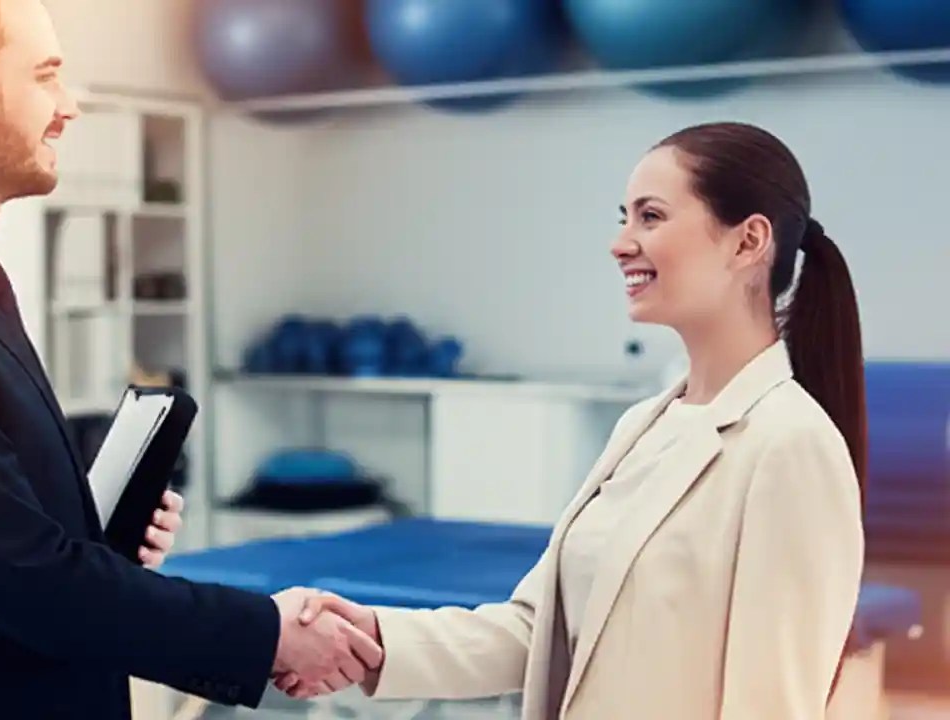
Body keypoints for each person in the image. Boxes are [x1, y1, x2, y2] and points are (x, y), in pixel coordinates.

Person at [0, 1, 380, 718]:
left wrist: (99, 536)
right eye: (45, 77)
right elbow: (27, 582)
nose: (68, 108)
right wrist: (267, 634)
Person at [281, 121, 868, 719]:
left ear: (747, 243)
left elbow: (772, 706)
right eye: (624, 217)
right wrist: (375, 640)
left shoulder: (792, 444)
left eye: (651, 216)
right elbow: (539, 631)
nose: (621, 242)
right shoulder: (645, 424)